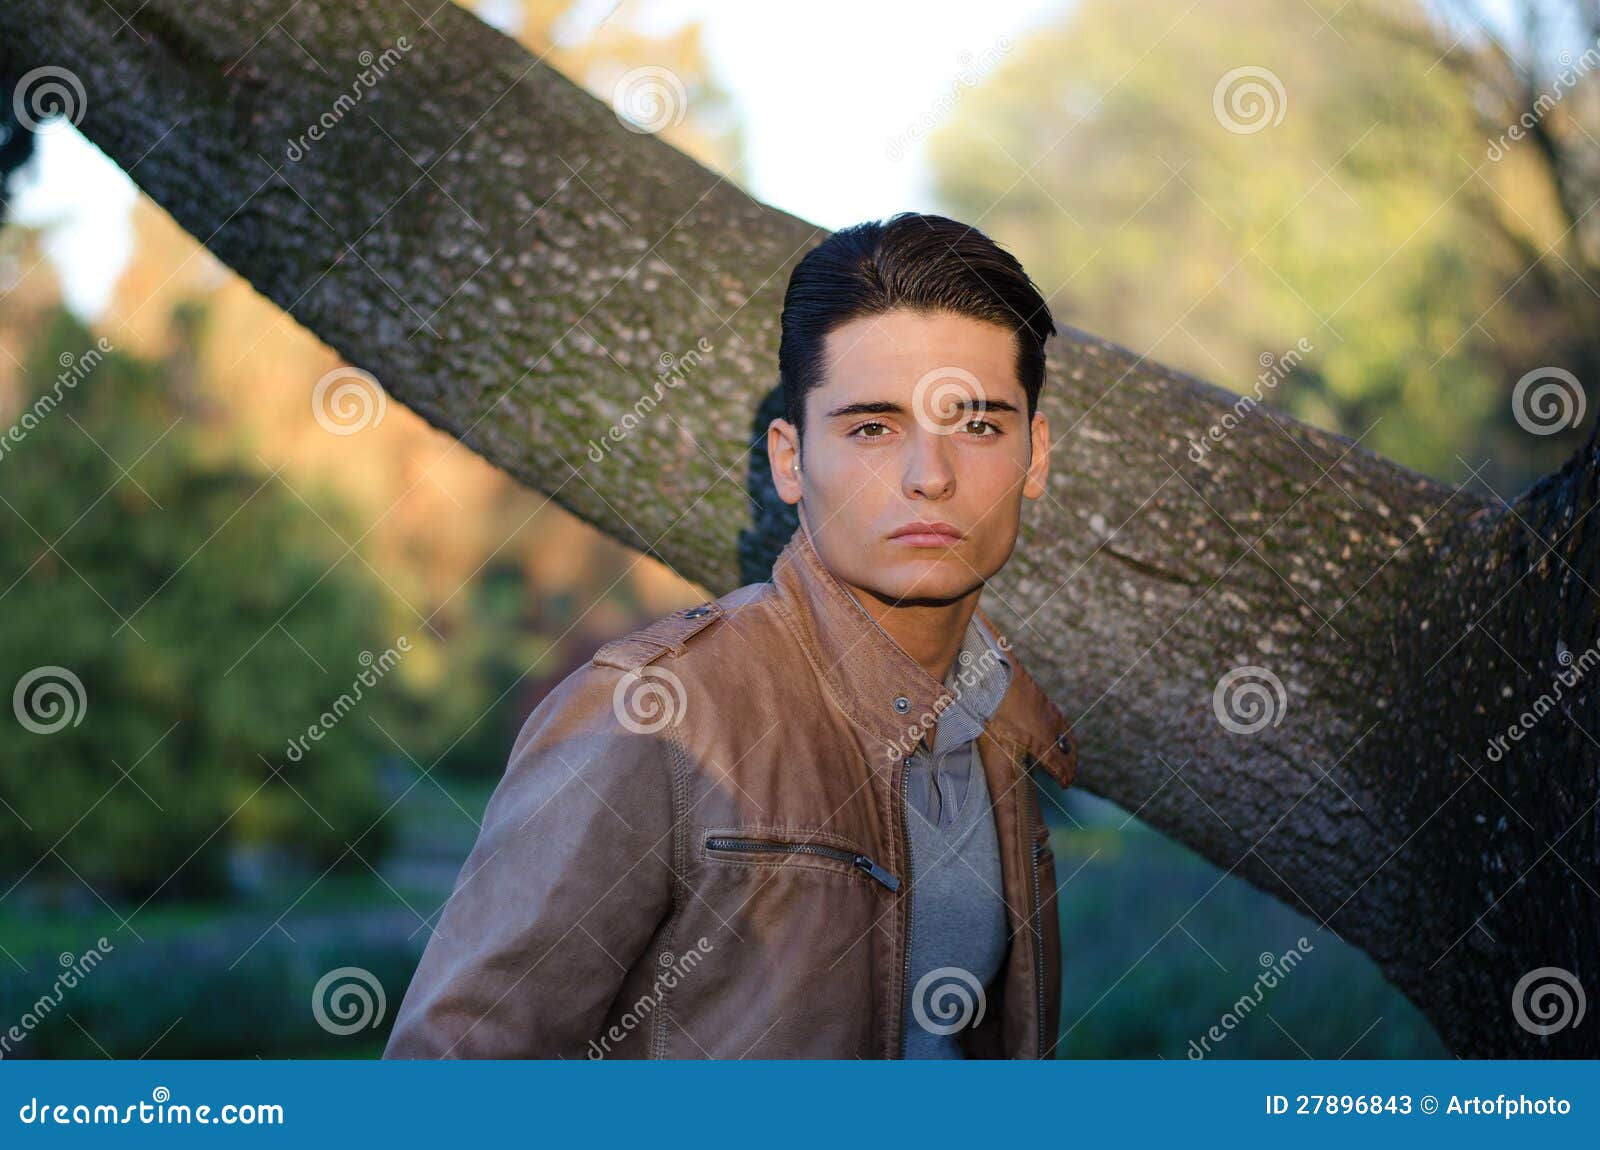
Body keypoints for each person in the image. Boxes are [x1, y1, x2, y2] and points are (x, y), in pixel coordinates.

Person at [384, 211, 1078, 1060]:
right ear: (789, 461)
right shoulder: (655, 713)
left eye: (977, 426)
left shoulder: (1000, 727)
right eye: (871, 427)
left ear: (1034, 456)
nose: (929, 476)